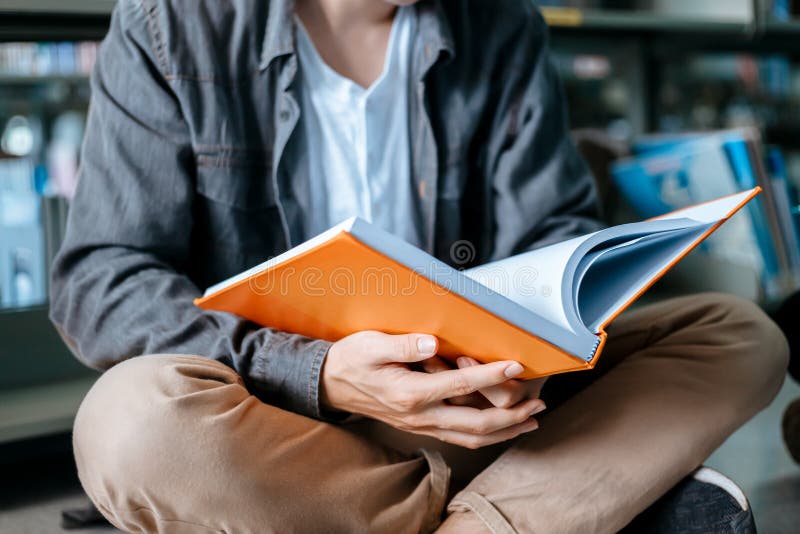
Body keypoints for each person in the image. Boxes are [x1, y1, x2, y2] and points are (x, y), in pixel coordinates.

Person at [50, 0, 789, 532]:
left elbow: (555, 230)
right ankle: (537, 512)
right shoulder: (172, 25)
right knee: (129, 426)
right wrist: (322, 372)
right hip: (281, 428)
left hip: (482, 409)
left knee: (738, 332)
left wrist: (533, 347)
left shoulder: (501, 28)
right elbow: (100, 281)